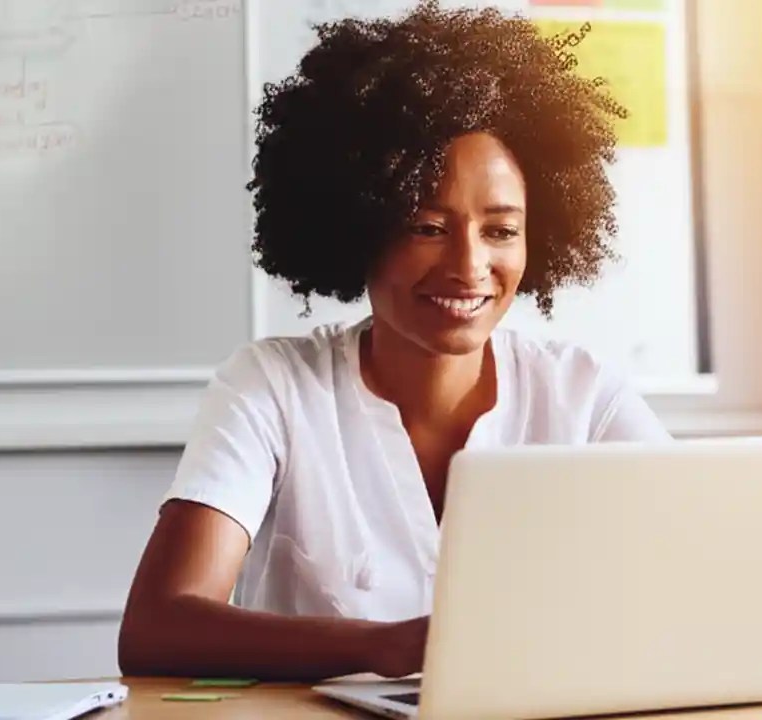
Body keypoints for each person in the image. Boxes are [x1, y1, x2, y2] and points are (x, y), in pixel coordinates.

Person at [118, 1, 671, 681]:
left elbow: (692, 575)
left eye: (500, 231)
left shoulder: (586, 396)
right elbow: (157, 626)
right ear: (358, 227)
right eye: (427, 227)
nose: (469, 267)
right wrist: (379, 647)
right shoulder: (274, 386)